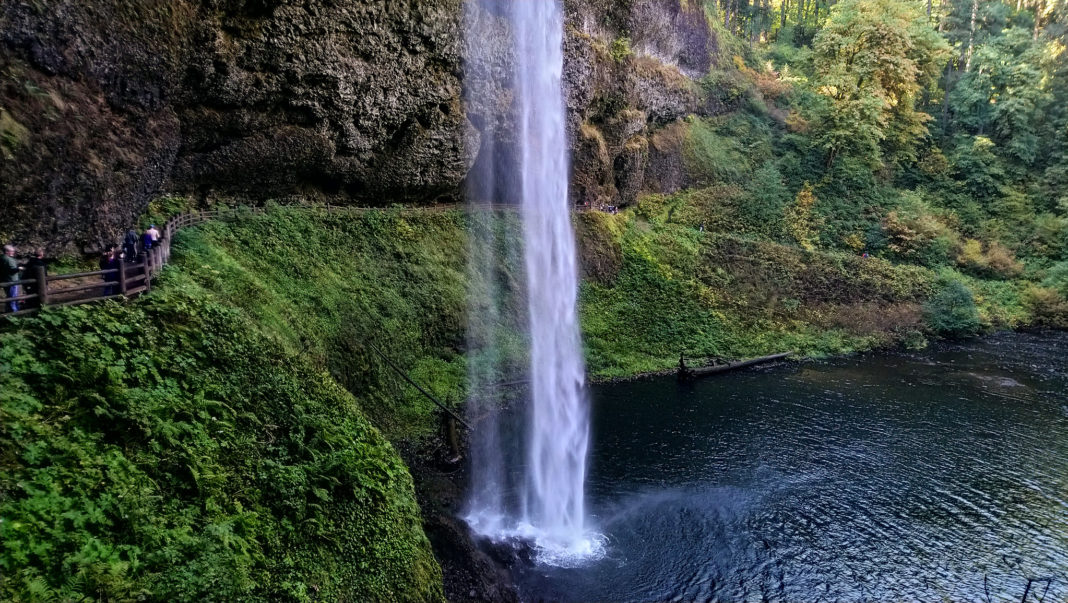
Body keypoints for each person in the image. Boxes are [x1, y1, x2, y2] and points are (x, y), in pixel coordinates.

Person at [2, 244, 20, 313]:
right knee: (13, 296)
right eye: (11, 251)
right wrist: (19, 269)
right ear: (6, 251)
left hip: (5, 280)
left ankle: (8, 309)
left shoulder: (1, 258)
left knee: (9, 295)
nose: (13, 252)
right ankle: (14, 311)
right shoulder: (9, 259)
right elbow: (12, 270)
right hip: (12, 280)